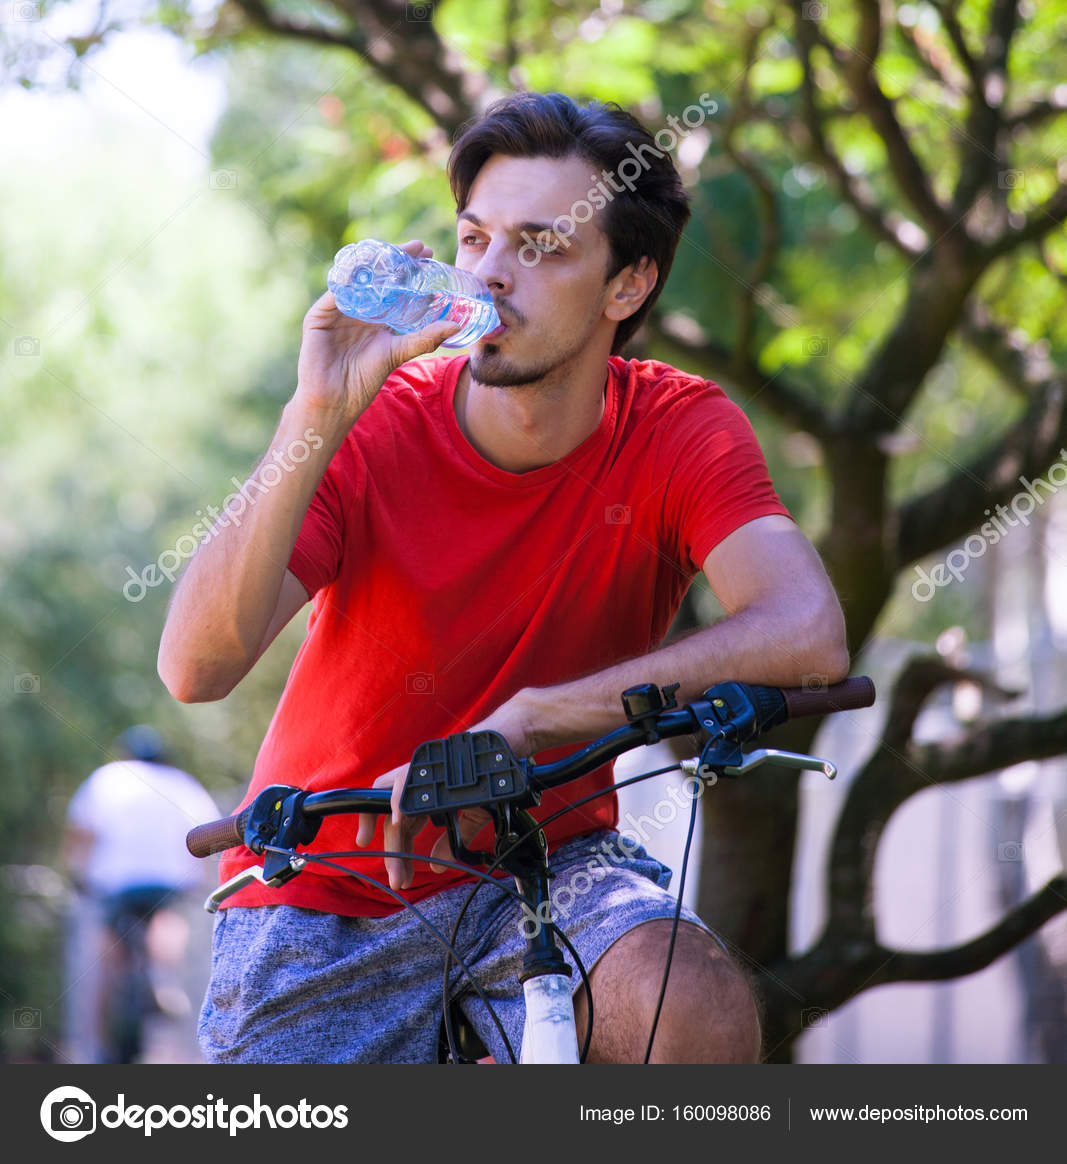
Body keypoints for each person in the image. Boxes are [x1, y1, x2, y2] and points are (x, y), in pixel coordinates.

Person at [159, 90, 850, 1065]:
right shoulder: (374, 419)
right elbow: (197, 664)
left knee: (688, 1002)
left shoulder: (678, 426)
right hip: (320, 885)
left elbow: (805, 628)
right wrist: (314, 412)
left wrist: (532, 715)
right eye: (475, 236)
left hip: (545, 859)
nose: (488, 273)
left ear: (627, 284)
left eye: (539, 244)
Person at [63, 726, 219, 1063]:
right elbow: (208, 834)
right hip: (166, 880)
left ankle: (98, 1049)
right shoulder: (182, 783)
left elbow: (81, 832)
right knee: (168, 916)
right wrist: (199, 883)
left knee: (103, 955)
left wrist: (79, 877)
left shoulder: (106, 777)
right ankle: (164, 974)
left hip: (115, 881)